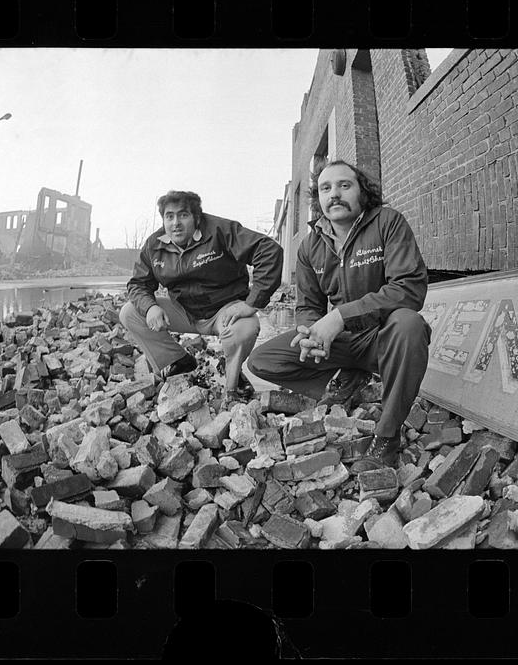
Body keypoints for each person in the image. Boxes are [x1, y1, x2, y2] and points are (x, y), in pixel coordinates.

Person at [247, 160, 431, 470]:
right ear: (317, 199)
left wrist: (340, 317)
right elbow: (308, 307)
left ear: (362, 192)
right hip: (342, 343)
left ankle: (387, 435)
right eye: (325, 188)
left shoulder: (388, 222)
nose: (335, 194)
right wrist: (309, 334)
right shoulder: (310, 247)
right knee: (262, 361)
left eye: (345, 185)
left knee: (410, 325)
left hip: (382, 338)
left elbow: (409, 290)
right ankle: (348, 379)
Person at [120, 190, 283, 405]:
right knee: (130, 313)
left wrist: (251, 303)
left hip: (224, 311)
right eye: (169, 216)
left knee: (246, 328)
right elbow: (138, 284)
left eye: (183, 215)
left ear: (197, 217)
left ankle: (232, 385)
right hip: (184, 311)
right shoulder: (154, 245)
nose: (175, 223)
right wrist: (150, 307)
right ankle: (179, 361)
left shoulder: (220, 230)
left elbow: (269, 250)